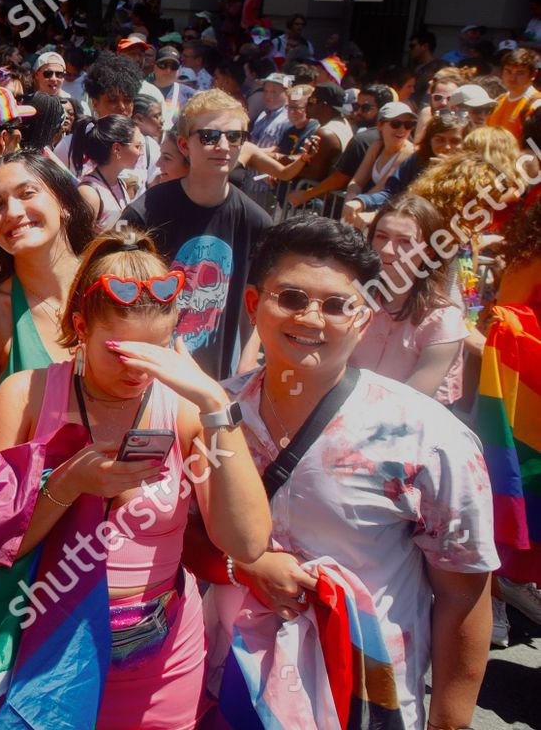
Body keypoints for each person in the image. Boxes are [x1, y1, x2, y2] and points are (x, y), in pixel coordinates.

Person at [187, 216, 496, 730]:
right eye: (290, 297)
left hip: (360, 701)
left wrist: (449, 722)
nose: (311, 318)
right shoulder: (210, 414)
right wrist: (244, 567)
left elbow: (463, 593)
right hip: (222, 684)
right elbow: (179, 535)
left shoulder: (428, 438)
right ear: (252, 304)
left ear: (363, 317)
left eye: (336, 305)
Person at [0, 228, 270, 730]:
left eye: (156, 352)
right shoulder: (26, 395)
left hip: (160, 654)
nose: (138, 370)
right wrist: (66, 485)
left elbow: (247, 540)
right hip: (46, 647)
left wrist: (218, 406)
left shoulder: (190, 408)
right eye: (121, 352)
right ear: (80, 327)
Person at [0, 151, 92, 469]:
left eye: (27, 193)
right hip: (34, 510)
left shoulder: (118, 284)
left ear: (65, 203)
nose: (13, 212)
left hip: (129, 507)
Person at [122, 89, 272, 379]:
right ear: (184, 144)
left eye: (234, 136)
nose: (223, 146)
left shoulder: (256, 222)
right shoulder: (144, 212)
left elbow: (259, 299)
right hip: (149, 367)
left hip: (215, 373)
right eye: (209, 136)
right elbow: (118, 286)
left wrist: (248, 358)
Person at [353, 194, 467, 405]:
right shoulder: (356, 297)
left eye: (405, 242)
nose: (387, 250)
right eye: (381, 236)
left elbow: (412, 402)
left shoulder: (443, 319)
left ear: (430, 251)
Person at [341, 101, 420, 225]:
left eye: (408, 125)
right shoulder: (376, 146)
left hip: (390, 219)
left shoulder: (409, 151)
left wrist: (357, 204)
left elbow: (383, 189)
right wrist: (350, 200)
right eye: (396, 124)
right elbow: (357, 181)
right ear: (380, 125)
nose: (402, 129)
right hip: (368, 213)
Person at [73, 114, 144, 230]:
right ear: (117, 149)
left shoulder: (121, 184)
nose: (141, 153)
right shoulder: (89, 194)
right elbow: (79, 243)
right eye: (137, 146)